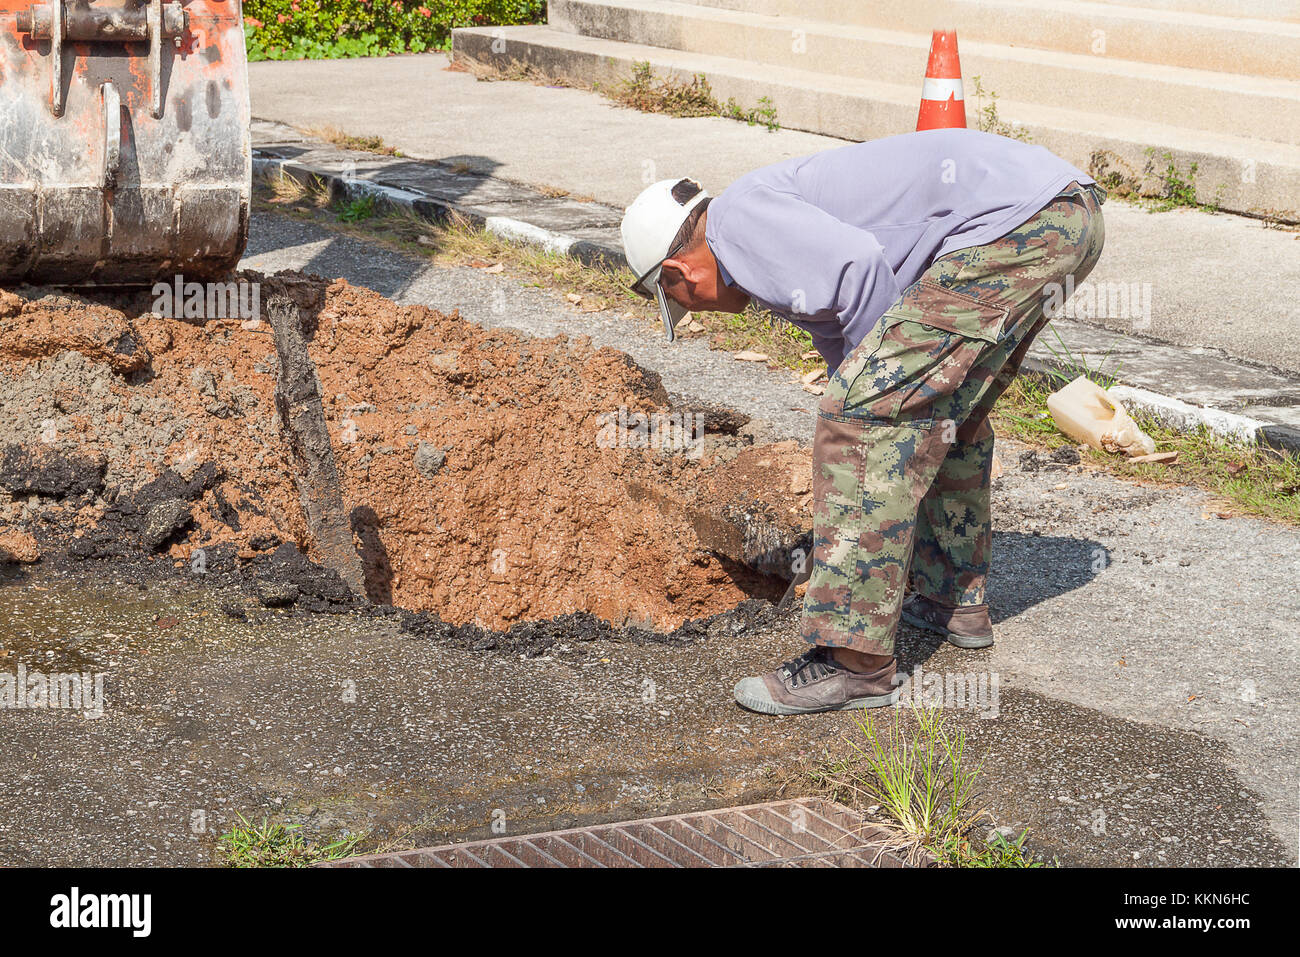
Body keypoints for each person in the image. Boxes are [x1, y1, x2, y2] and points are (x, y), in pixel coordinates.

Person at [620, 128, 1106, 715]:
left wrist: (865, 411)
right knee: (945, 412)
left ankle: (853, 664)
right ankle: (951, 596)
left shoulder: (738, 225)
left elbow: (860, 269)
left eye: (679, 302)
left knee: (861, 419)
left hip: (1018, 227)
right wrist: (874, 393)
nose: (694, 311)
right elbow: (850, 326)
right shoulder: (758, 225)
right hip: (1059, 217)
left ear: (679, 271)